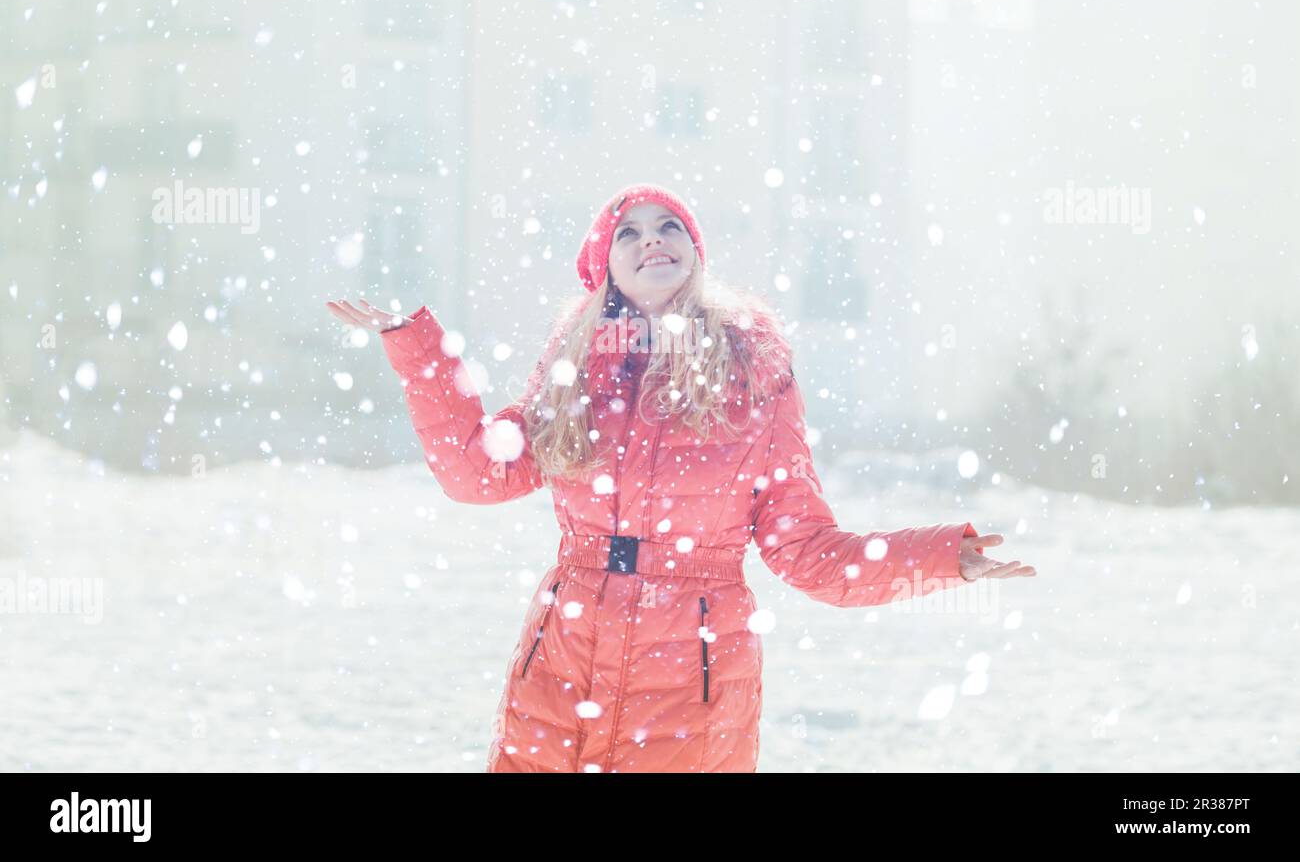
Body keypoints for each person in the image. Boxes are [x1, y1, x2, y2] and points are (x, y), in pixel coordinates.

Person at [325, 182, 1036, 773]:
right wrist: (418, 351)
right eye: (626, 233)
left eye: (669, 226)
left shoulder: (754, 372)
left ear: (696, 257)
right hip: (559, 668)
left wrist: (942, 558)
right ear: (605, 268)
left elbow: (809, 553)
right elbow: (478, 472)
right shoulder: (573, 373)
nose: (650, 238)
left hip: (691, 686)